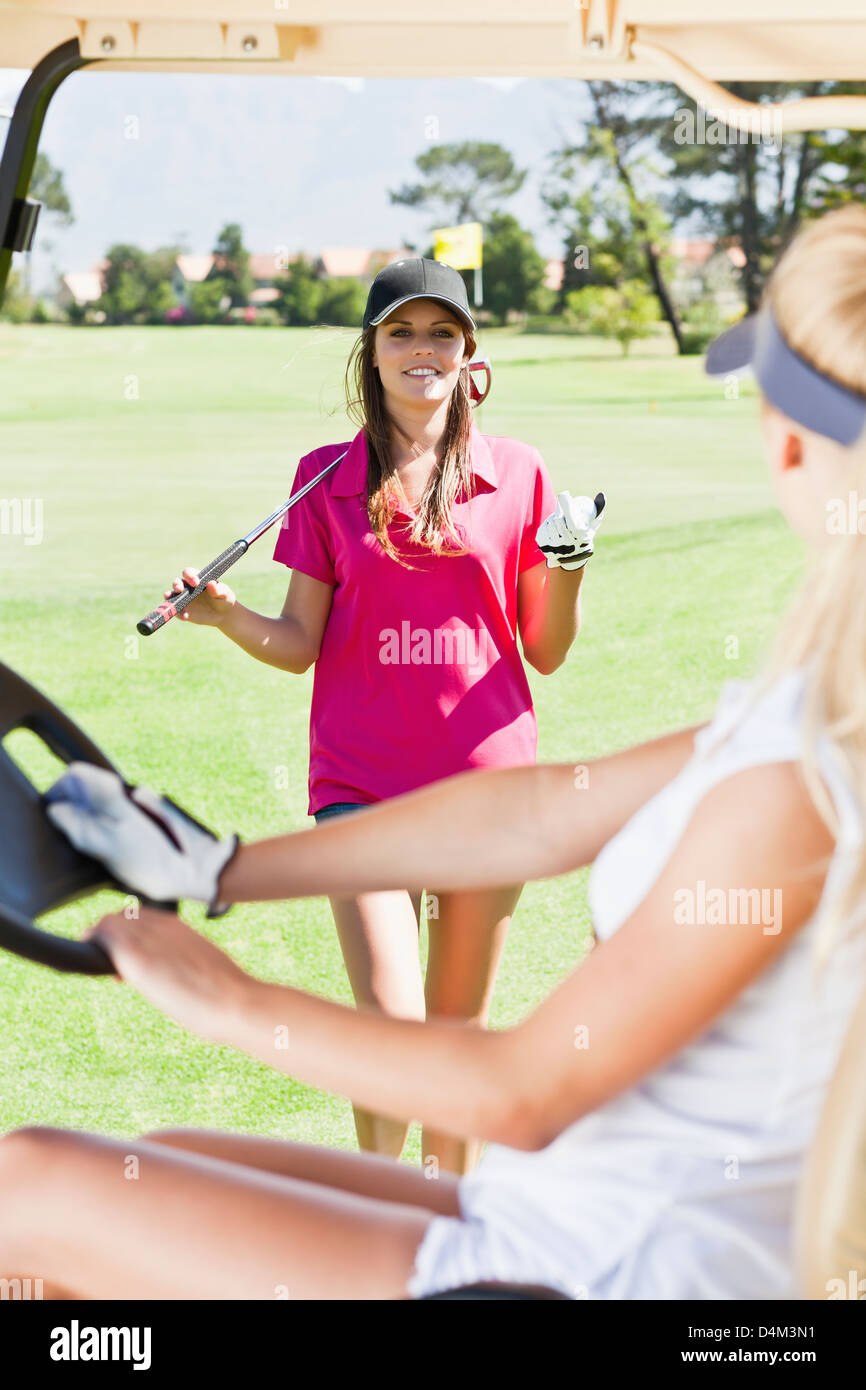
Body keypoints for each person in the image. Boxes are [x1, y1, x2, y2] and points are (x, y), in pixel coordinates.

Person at [12, 204, 866, 1302]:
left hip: (615, 1261)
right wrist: (224, 866)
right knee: (168, 1151)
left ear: (790, 440)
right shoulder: (804, 713)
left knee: (27, 1180)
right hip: (561, 1207)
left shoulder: (801, 780)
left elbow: (520, 1092)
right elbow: (540, 809)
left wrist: (223, 997)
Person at [158, 256, 603, 1173]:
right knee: (393, 1023)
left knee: (456, 1031)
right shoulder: (322, 477)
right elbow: (298, 643)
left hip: (490, 788)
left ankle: (450, 1229)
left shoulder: (517, 472)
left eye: (442, 331)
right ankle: (380, 1206)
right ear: (372, 350)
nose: (422, 348)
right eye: (401, 331)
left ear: (470, 351)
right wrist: (223, 613)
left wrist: (570, 569)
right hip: (360, 787)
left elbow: (546, 649)